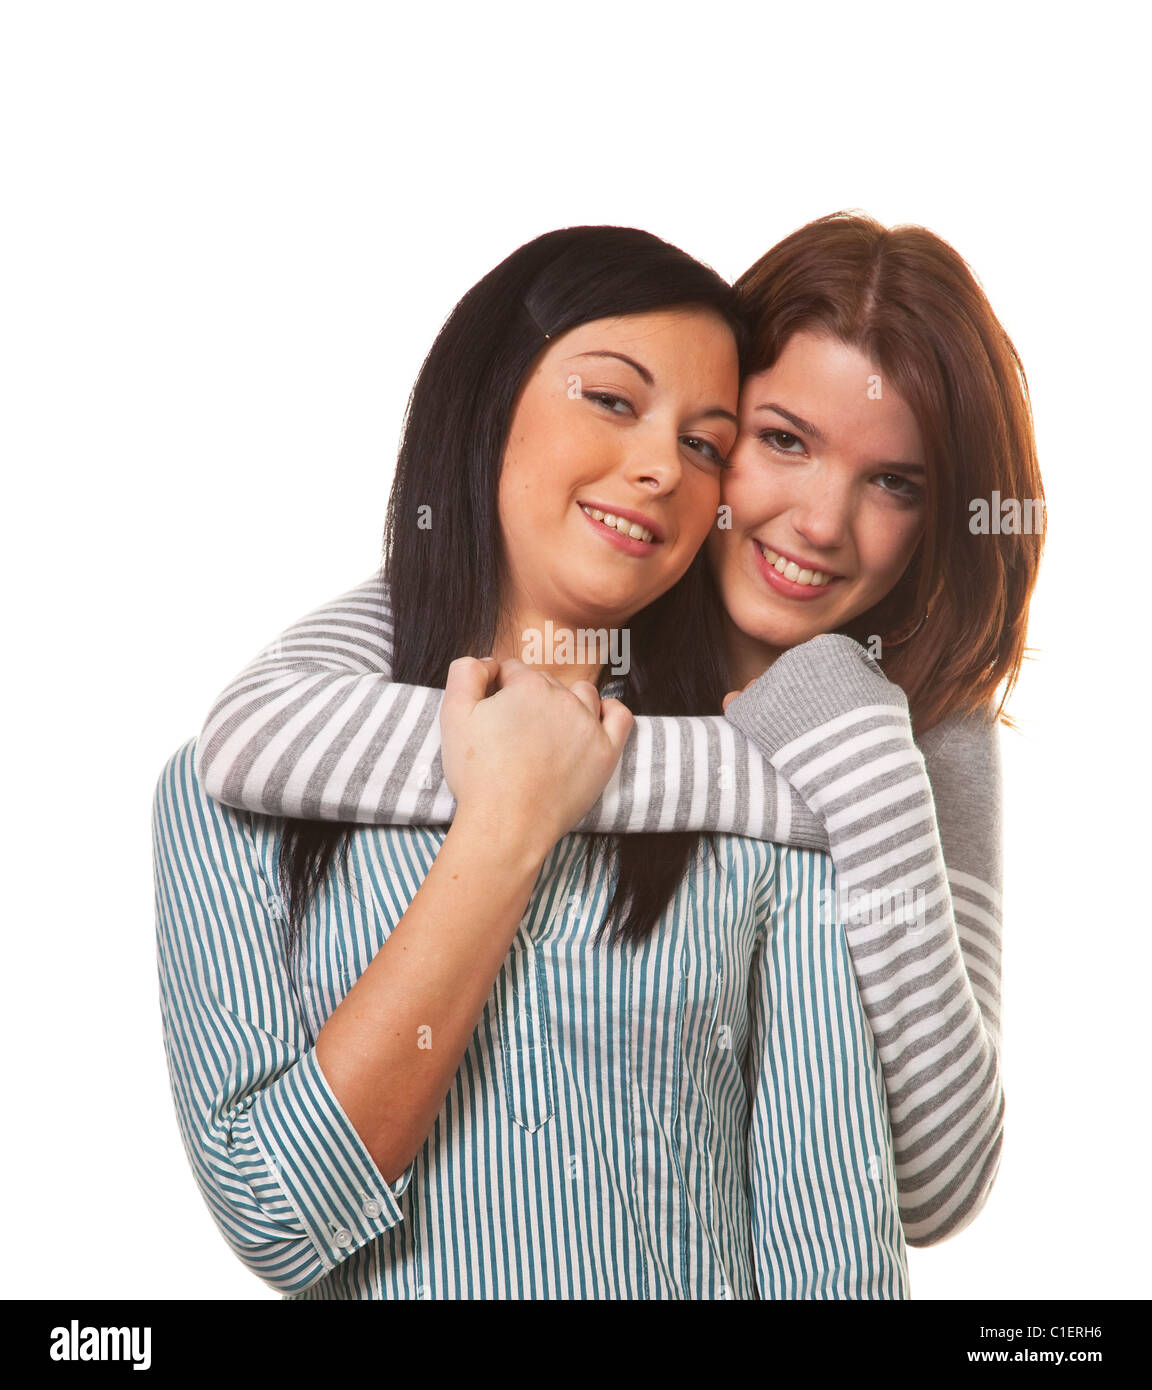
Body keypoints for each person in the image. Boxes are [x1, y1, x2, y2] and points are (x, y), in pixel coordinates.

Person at [194, 213, 1043, 1250]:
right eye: (780, 441)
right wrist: (797, 788)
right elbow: (249, 732)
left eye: (894, 482)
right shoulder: (587, 588)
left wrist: (872, 773)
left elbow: (937, 1183)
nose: (823, 522)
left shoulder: (920, 718)